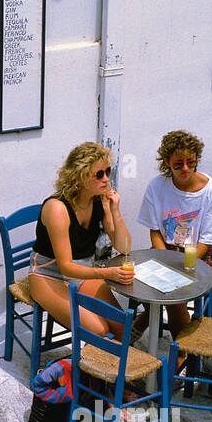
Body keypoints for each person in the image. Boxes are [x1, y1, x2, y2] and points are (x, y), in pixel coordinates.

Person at [28, 141, 134, 339]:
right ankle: (80, 369)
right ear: (80, 176)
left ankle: (110, 368)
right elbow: (66, 267)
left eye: (108, 171)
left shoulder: (99, 200)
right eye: (99, 174)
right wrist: (108, 273)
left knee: (122, 327)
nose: (106, 179)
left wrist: (115, 210)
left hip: (82, 274)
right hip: (49, 275)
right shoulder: (57, 209)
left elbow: (124, 247)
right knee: (99, 330)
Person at [136, 130, 212, 337]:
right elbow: (155, 231)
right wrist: (166, 260)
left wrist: (179, 265)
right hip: (163, 251)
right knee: (137, 279)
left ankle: (180, 350)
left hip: (198, 256)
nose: (185, 168)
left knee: (173, 292)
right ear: (167, 162)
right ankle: (153, 320)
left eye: (191, 162)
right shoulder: (157, 186)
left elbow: (207, 242)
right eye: (178, 163)